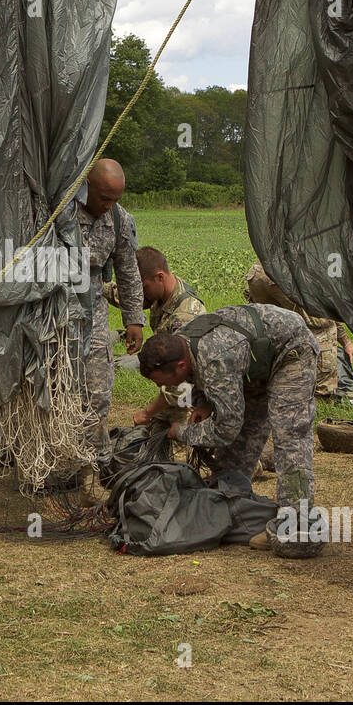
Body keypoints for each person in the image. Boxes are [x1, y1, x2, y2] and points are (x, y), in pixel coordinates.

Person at [137, 303, 323, 557]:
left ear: (179, 366)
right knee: (241, 444)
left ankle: (297, 526)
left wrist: (180, 433)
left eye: (161, 380)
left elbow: (226, 429)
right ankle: (235, 505)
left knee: (290, 437)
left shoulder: (214, 357)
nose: (161, 385)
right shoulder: (183, 341)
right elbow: (203, 378)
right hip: (253, 363)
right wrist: (202, 401)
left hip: (291, 351)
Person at [74, 158, 144, 504]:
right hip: (51, 305)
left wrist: (134, 319)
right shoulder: (60, 210)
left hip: (94, 309)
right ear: (86, 186)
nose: (108, 205)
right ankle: (37, 471)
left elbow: (128, 272)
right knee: (46, 387)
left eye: (115, 199)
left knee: (96, 392)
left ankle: (88, 474)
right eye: (104, 197)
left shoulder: (119, 220)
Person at [107, 246, 207, 431]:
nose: (140, 295)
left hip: (187, 392)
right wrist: (96, 285)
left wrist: (148, 412)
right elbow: (129, 298)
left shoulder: (185, 316)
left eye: (142, 287)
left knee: (178, 437)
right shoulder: (161, 291)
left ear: (159, 277)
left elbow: (181, 382)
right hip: (172, 382)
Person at [243, 260, 353, 397]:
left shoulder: (263, 265)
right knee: (325, 327)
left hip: (260, 275)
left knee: (279, 323)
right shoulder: (314, 264)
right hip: (281, 277)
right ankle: (321, 391)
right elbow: (322, 315)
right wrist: (346, 341)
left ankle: (277, 380)